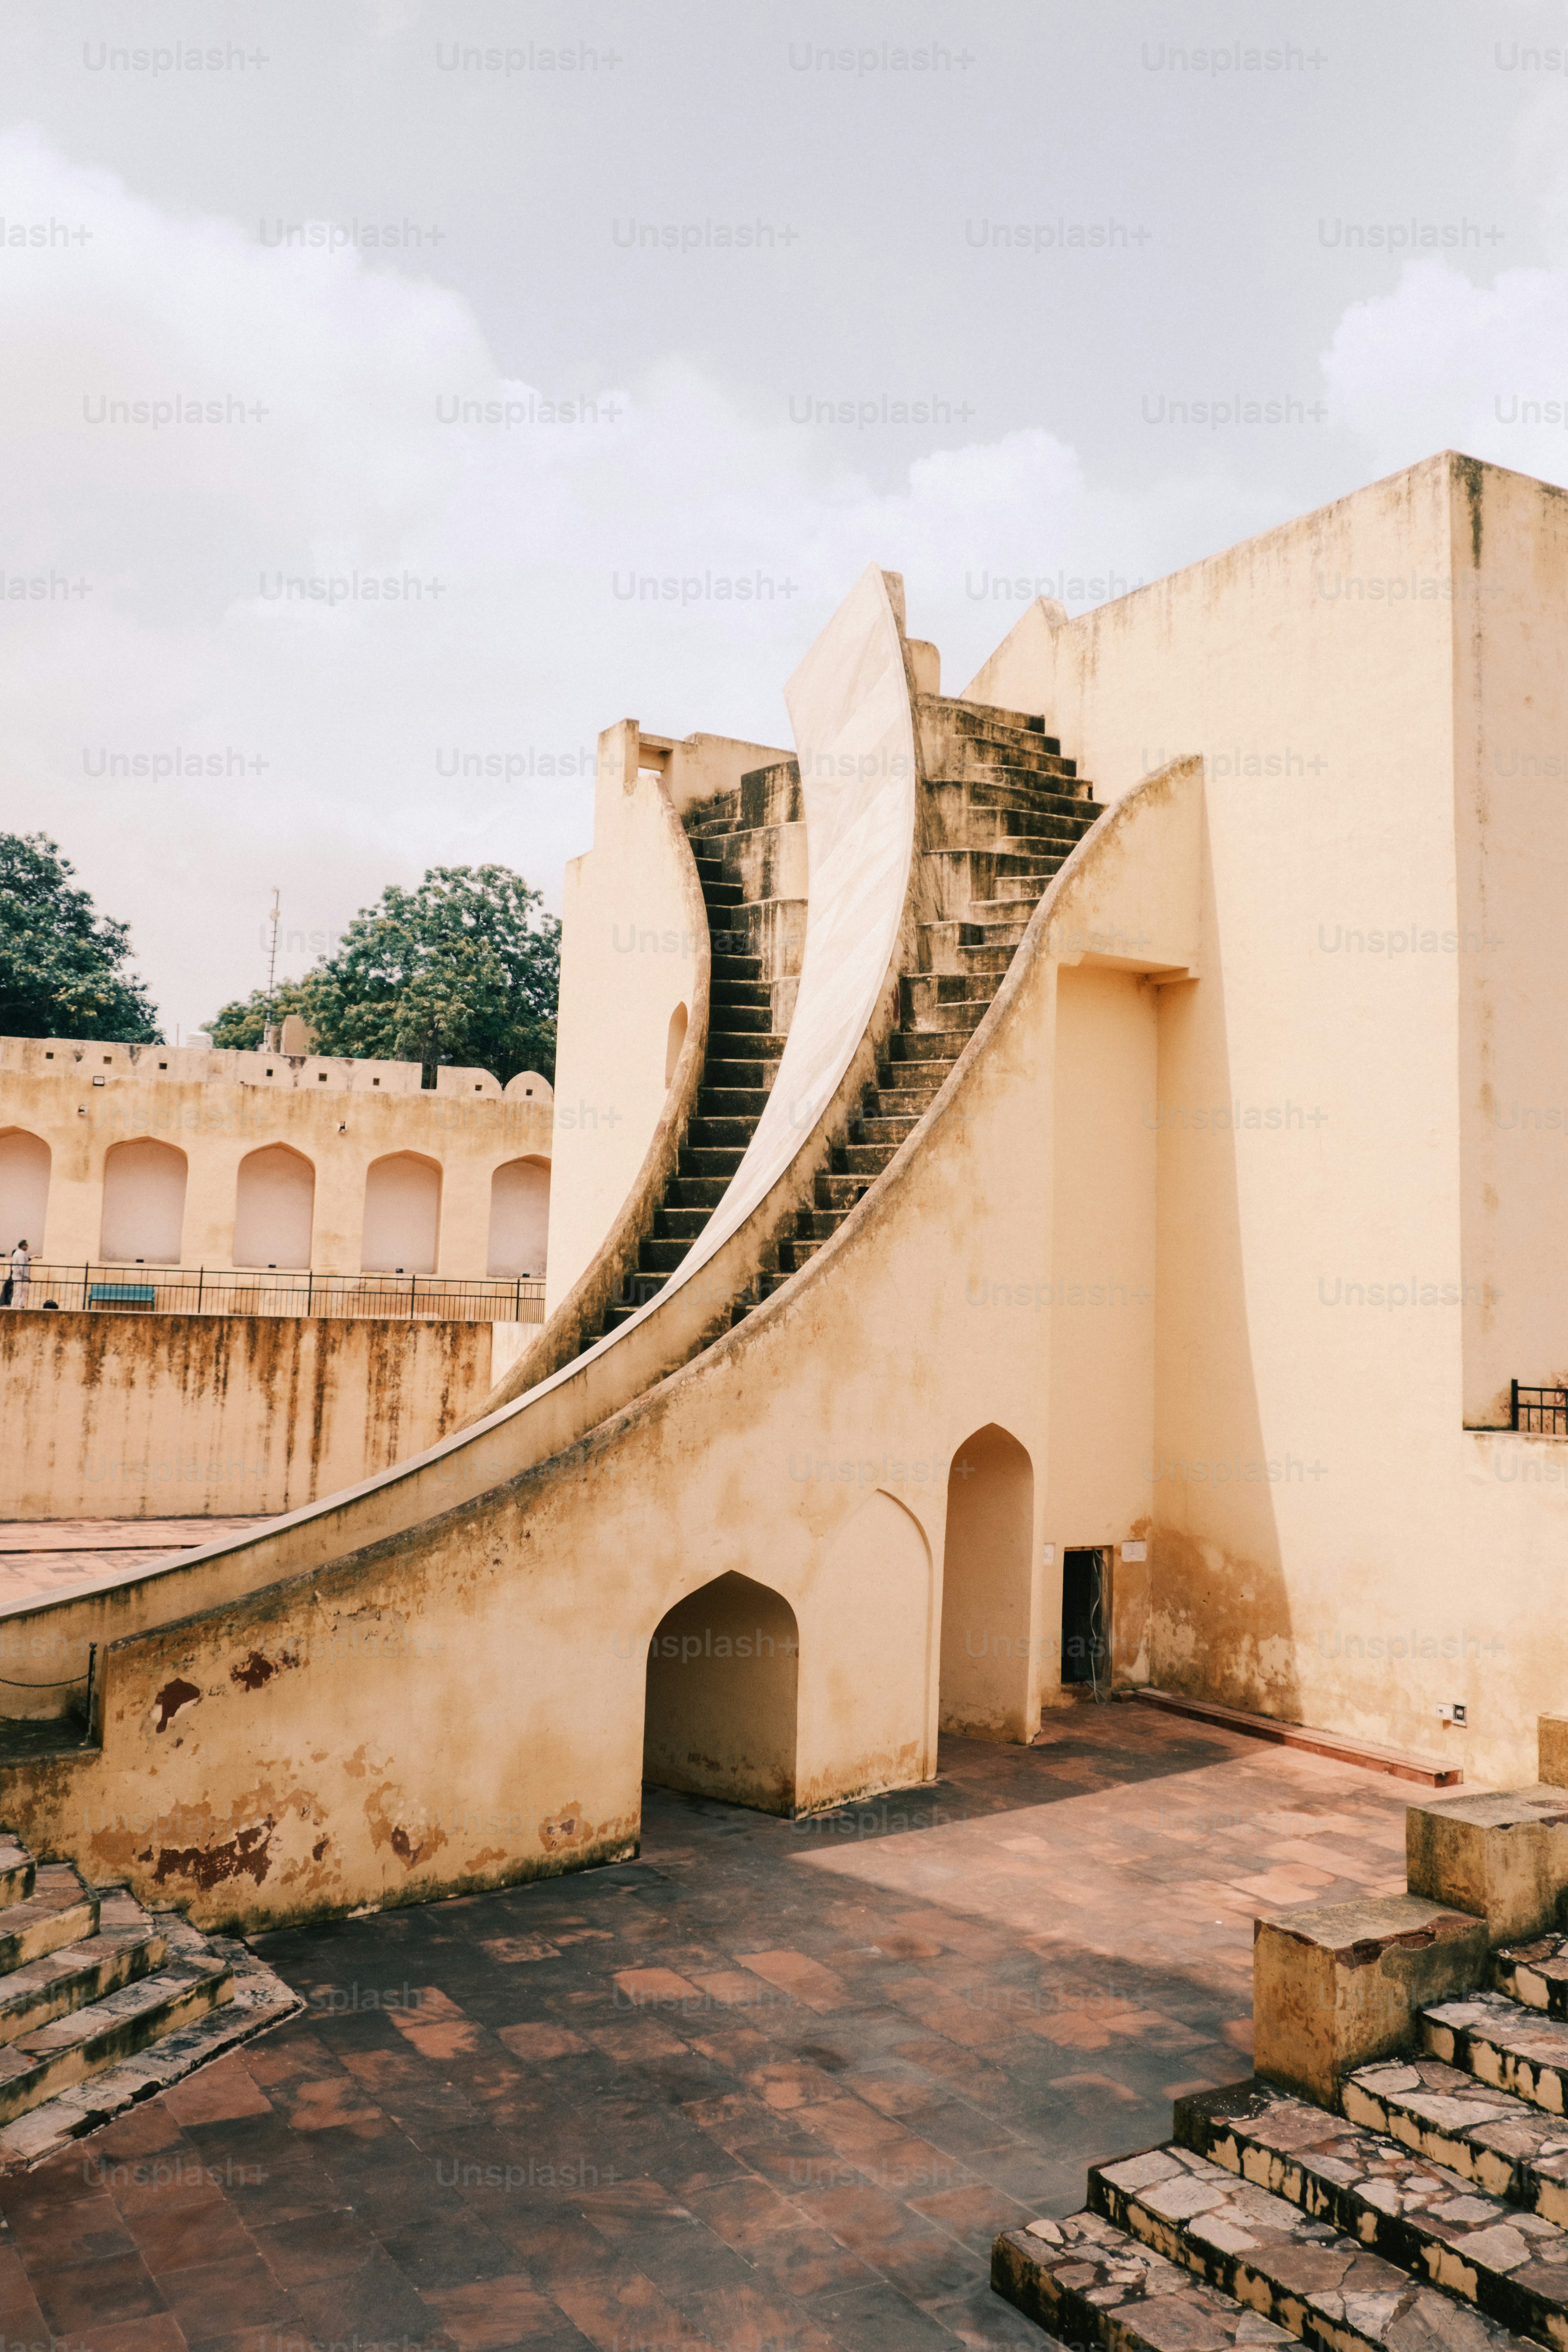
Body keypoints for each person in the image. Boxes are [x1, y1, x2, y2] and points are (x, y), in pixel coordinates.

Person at [9, 1239, 30, 1310]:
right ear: (23, 1246)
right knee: (21, 1292)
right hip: (21, 1277)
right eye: (26, 1245)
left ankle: (16, 1306)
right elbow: (22, 1266)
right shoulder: (21, 1254)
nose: (27, 1247)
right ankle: (18, 1306)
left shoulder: (17, 1253)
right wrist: (26, 1276)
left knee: (18, 1292)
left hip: (18, 1276)